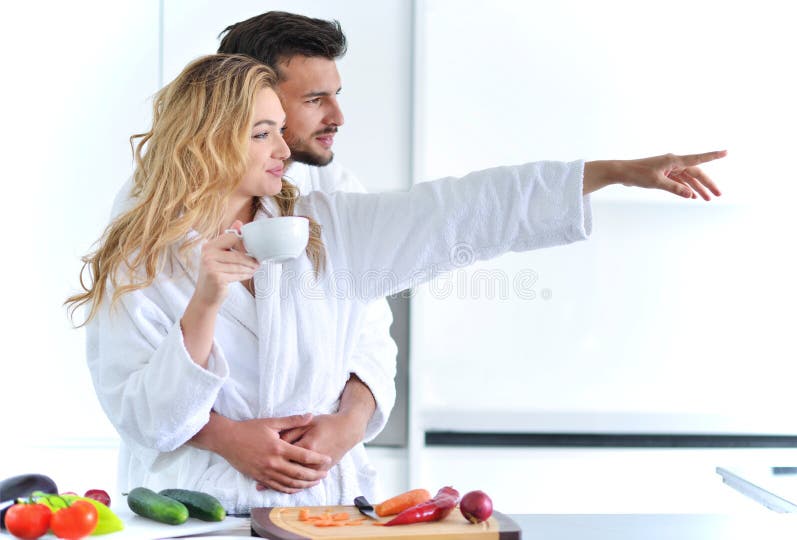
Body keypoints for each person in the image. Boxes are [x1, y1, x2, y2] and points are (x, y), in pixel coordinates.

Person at [69, 54, 724, 512]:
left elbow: (463, 209)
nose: (282, 149)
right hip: (196, 516)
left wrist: (609, 172)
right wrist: (206, 300)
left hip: (318, 513)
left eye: (279, 130)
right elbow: (148, 420)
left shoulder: (326, 228)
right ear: (210, 143)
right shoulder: (140, 262)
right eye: (262, 133)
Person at [109, 12, 398, 497]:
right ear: (244, 95)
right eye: (313, 99)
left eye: (336, 95)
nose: (337, 117)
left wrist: (348, 424)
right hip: (202, 493)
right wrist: (225, 438)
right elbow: (131, 386)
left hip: (317, 487)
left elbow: (371, 334)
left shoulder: (339, 191)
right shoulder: (151, 213)